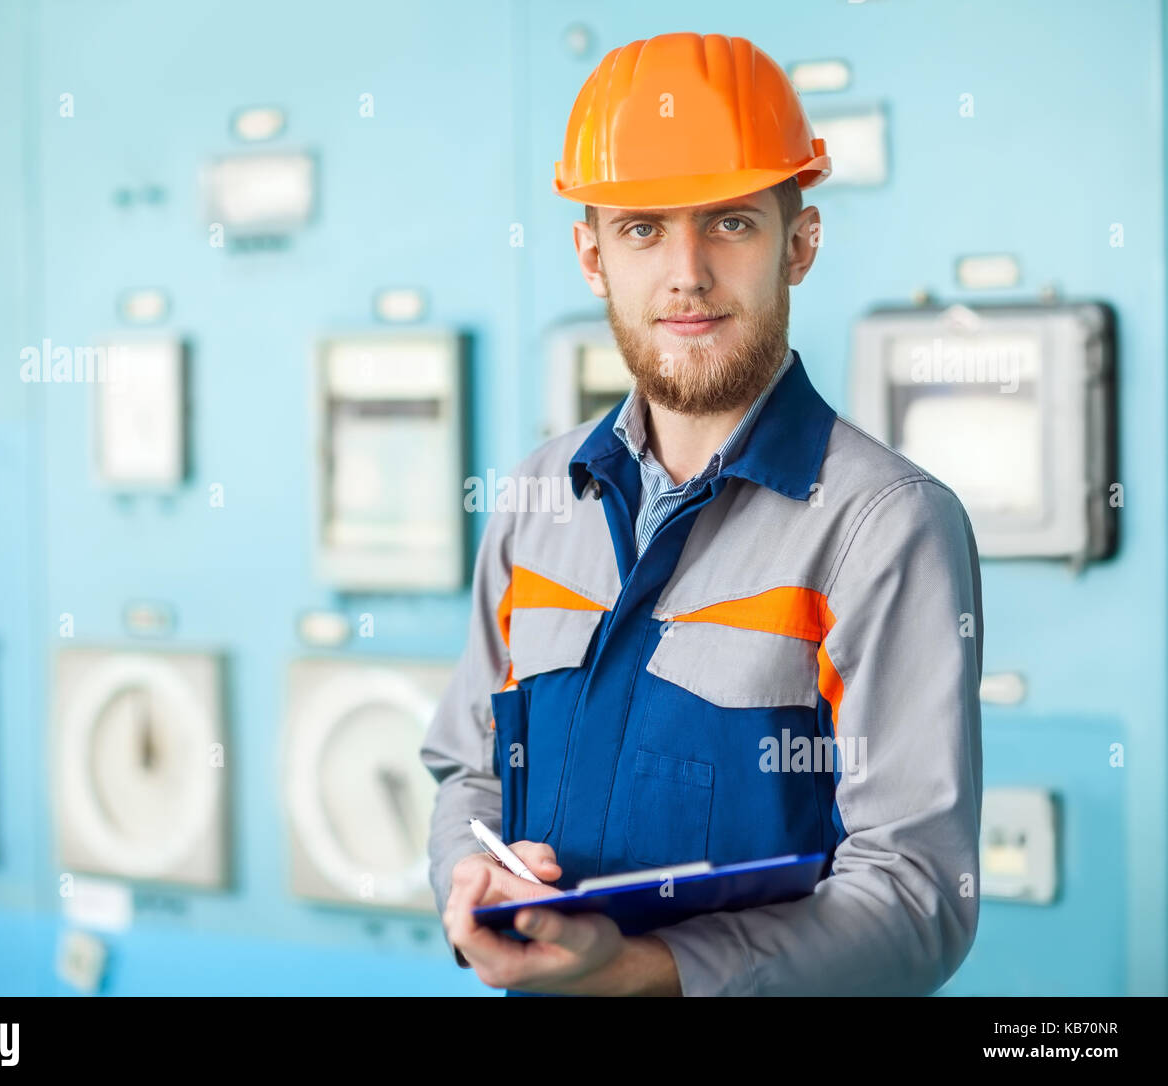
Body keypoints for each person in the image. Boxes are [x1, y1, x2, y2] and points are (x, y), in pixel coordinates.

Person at [420, 32, 983, 996]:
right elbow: (467, 773)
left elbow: (917, 896)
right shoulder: (533, 501)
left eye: (729, 223)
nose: (686, 273)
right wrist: (469, 886)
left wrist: (647, 972)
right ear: (591, 255)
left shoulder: (884, 527)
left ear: (797, 245)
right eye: (642, 228)